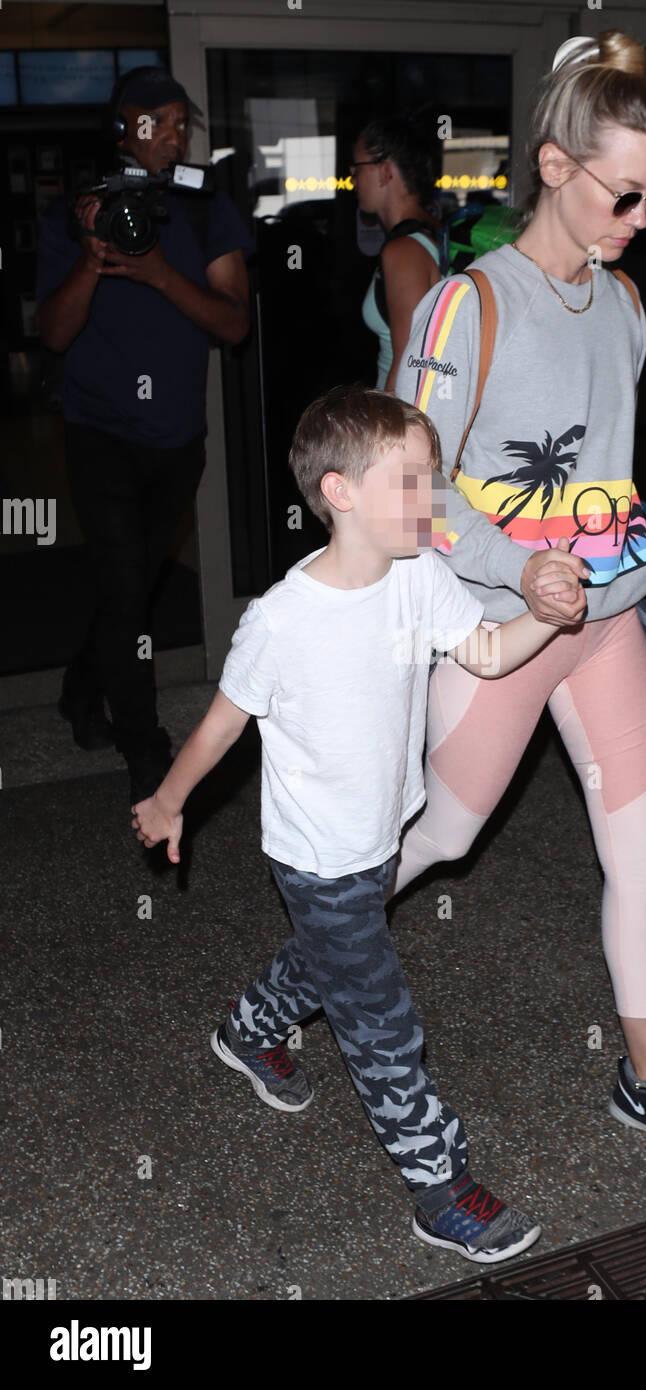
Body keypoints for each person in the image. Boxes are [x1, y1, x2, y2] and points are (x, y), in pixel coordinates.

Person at [393, 31, 646, 1169]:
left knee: (637, 853)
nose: (641, 218)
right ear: (553, 165)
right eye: (624, 194)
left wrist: (605, 576)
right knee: (437, 837)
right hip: (500, 628)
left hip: (602, 627)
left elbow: (602, 464)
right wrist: (514, 566)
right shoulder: (463, 307)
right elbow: (413, 487)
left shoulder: (626, 304)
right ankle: (291, 976)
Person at [130, 384, 569, 1263]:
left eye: (434, 479)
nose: (435, 500)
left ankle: (248, 1029)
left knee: (331, 956)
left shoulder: (419, 577)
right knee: (379, 1020)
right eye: (413, 481)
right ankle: (437, 1188)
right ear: (339, 493)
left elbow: (483, 651)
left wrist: (543, 620)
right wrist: (169, 798)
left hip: (379, 835)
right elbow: (223, 722)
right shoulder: (282, 621)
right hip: (315, 857)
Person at [36, 66, 254, 802]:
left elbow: (233, 322)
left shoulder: (201, 210)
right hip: (99, 429)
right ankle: (145, 745)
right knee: (128, 589)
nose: (169, 136)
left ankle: (77, 689)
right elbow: (55, 335)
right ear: (121, 128)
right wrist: (95, 263)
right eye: (152, 123)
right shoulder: (78, 212)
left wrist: (159, 273)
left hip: (175, 436)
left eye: (176, 124)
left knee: (134, 581)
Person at [353, 114, 441, 392]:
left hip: (400, 425)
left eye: (357, 168)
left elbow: (410, 369)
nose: (352, 179)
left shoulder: (404, 251)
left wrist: (384, 435)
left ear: (385, 171)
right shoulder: (433, 232)